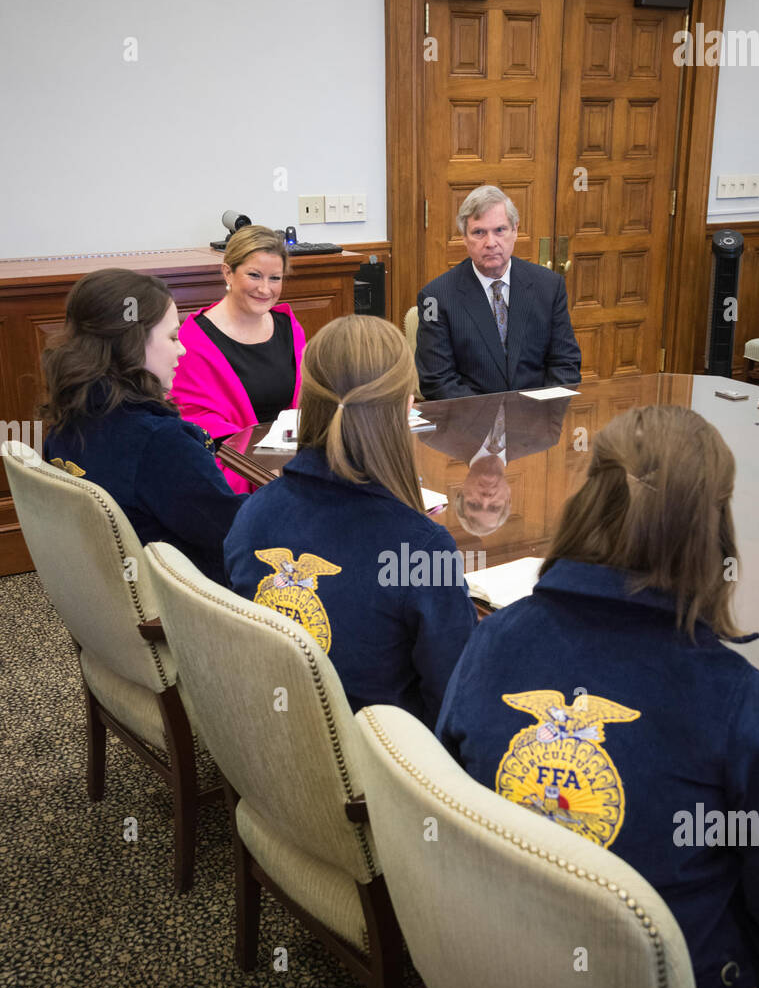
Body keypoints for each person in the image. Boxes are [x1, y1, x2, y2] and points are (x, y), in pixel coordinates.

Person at [436, 404, 759, 988]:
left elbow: (449, 808)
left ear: (586, 499)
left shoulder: (492, 638)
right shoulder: (729, 697)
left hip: (500, 974)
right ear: (714, 531)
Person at [224, 315, 477, 726]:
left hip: (266, 734)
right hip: (378, 767)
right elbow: (456, 702)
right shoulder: (421, 549)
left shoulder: (253, 513)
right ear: (407, 407)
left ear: (305, 399)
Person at [42, 269, 243, 584]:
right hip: (188, 596)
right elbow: (233, 533)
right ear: (132, 343)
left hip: (112, 588)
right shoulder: (158, 442)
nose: (182, 350)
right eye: (173, 337)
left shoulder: (69, 417)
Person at [170, 225, 306, 492]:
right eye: (254, 275)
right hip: (231, 468)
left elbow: (308, 401)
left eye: (275, 278)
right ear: (228, 273)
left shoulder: (289, 326)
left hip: (293, 460)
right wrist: (267, 455)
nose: (265, 289)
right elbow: (195, 422)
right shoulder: (194, 339)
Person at [415, 185, 581, 400]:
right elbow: (436, 381)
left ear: (515, 231)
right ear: (464, 237)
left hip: (537, 420)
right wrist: (490, 423)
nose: (491, 243)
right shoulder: (435, 298)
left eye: (500, 230)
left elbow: (565, 364)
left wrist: (539, 415)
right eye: (479, 232)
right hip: (471, 425)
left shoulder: (549, 286)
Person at [422, 394, 570, 535]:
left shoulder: (435, 434)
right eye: (494, 507)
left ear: (461, 492)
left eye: (474, 504)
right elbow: (563, 373)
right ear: (508, 498)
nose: (486, 498)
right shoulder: (544, 437)